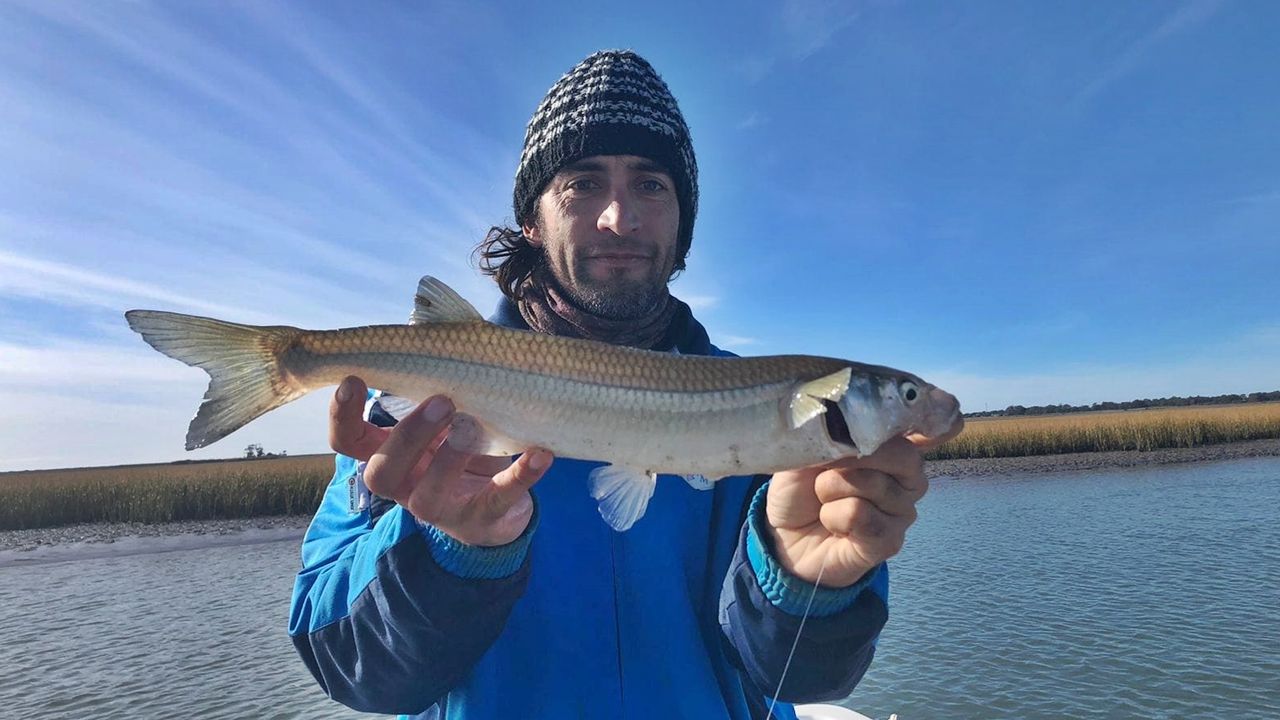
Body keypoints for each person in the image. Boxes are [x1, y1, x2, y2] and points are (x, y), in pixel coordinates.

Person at [288, 50, 959, 720]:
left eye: (651, 185)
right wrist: (447, 552)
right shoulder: (411, 423)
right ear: (532, 219)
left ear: (681, 220)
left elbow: (797, 676)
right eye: (582, 183)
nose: (620, 218)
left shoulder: (786, 444)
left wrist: (808, 582)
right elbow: (353, 671)